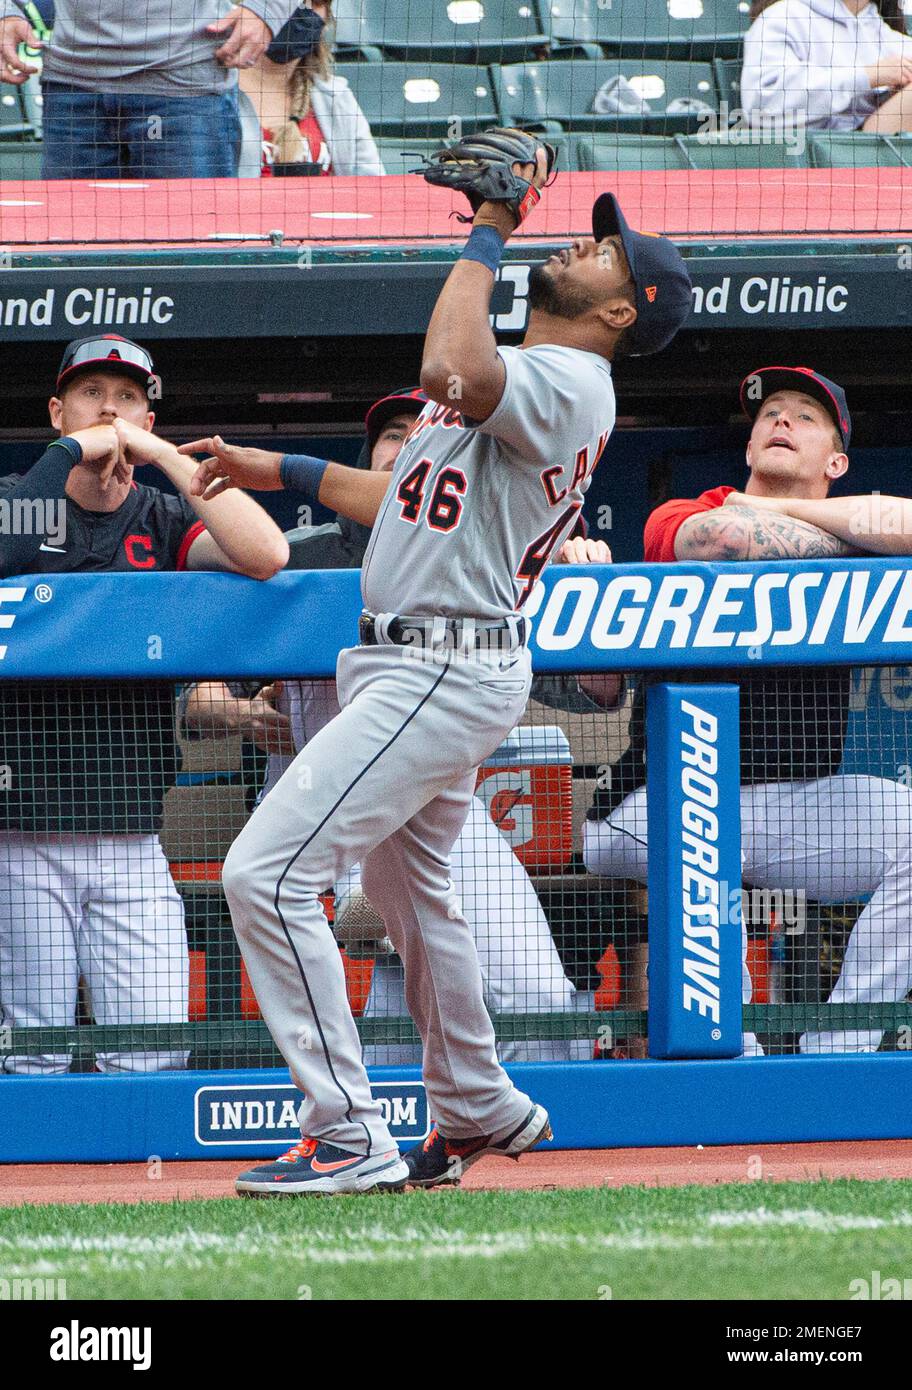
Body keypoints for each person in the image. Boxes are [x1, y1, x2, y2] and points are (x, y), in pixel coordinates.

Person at [179, 153, 692, 1195]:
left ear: (623, 314)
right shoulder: (537, 386)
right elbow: (410, 493)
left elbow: (444, 368)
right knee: (414, 897)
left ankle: (346, 1132)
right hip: (424, 660)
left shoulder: (569, 378)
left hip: (440, 663)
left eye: (607, 252)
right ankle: (476, 1104)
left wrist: (492, 226)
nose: (586, 243)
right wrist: (280, 471)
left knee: (266, 873)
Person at [181, 387, 615, 1069]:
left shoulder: (493, 565)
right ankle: (372, 917)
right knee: (395, 982)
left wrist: (585, 588)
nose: (409, 445)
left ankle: (498, 1127)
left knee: (542, 1002)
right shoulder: (302, 552)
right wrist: (245, 712)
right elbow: (199, 693)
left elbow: (597, 691)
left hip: (439, 805)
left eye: (425, 433)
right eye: (392, 435)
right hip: (317, 802)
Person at [583, 365, 912, 1056]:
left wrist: (790, 514)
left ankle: (839, 1054)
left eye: (805, 416)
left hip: (793, 804)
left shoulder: (845, 526)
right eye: (770, 413)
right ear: (747, 448)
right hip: (653, 801)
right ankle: (727, 1057)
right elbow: (726, 542)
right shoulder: (681, 511)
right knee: (704, 831)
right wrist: (845, 532)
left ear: (837, 461)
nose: (781, 420)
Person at [0, 333, 288, 1074]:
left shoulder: (160, 519)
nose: (110, 411)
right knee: (34, 1054)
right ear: (58, 413)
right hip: (21, 834)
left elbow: (266, 555)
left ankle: (140, 1185)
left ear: (149, 419)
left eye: (128, 398)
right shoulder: (26, 504)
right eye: (93, 395)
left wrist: (165, 460)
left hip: (132, 834)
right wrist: (74, 453)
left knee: (154, 1048)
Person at [0, 0, 300, 178]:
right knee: (71, 264)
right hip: (74, 90)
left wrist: (266, 9)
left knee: (191, 265)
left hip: (186, 93)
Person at [238, 1, 384, 177]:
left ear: (326, 22)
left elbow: (373, 185)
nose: (302, 9)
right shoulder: (215, 95)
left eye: (315, 2)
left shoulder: (336, 97)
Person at [742, 0, 912, 135]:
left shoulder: (890, 38)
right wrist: (866, 76)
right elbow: (763, 107)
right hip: (815, 159)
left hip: (885, 156)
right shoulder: (782, 17)